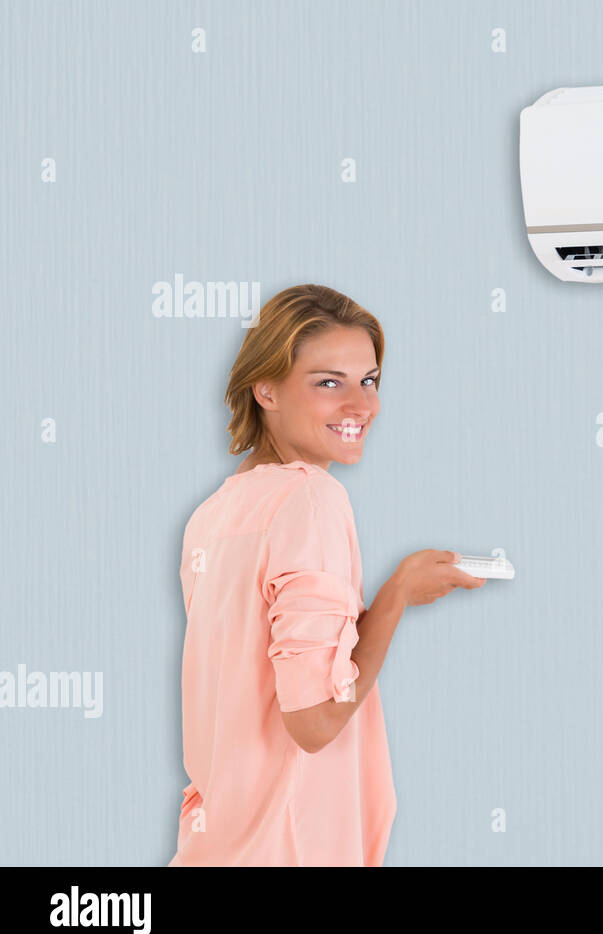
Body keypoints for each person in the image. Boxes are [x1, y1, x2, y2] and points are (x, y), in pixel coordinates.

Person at [168, 284, 484, 865]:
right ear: (265, 389)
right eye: (328, 382)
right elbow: (313, 721)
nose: (363, 406)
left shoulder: (211, 516)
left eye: (369, 380)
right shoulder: (313, 500)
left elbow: (268, 681)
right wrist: (395, 597)